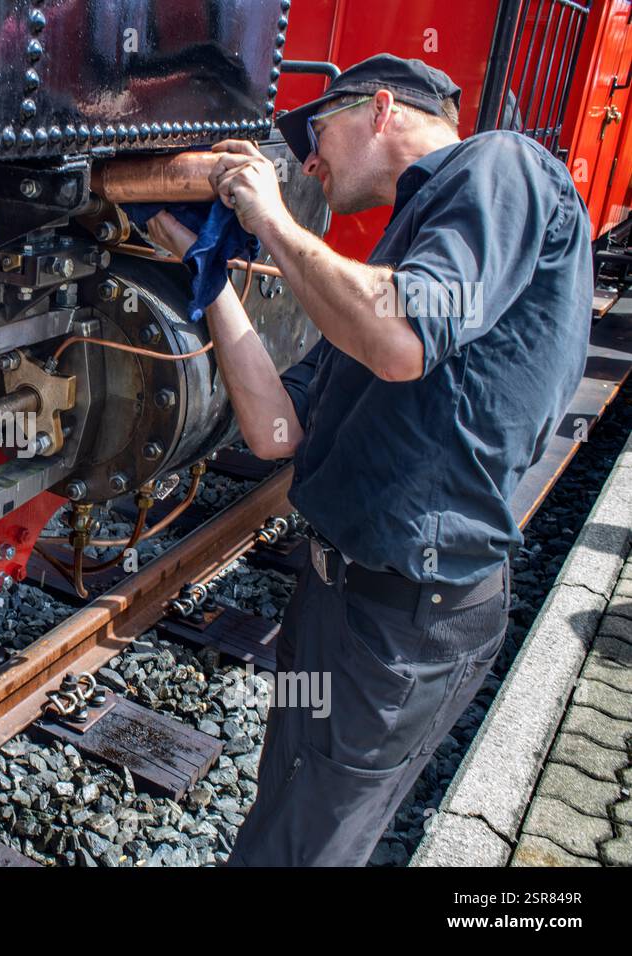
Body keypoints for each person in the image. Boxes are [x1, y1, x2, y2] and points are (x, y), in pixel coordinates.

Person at [147, 54, 592, 865]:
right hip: (336, 606)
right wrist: (205, 278)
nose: (308, 161)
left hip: (405, 624)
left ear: (381, 108)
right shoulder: (394, 253)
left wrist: (275, 221)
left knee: (305, 846)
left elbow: (401, 336)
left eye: (314, 134)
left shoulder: (502, 167)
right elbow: (276, 433)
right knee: (287, 803)